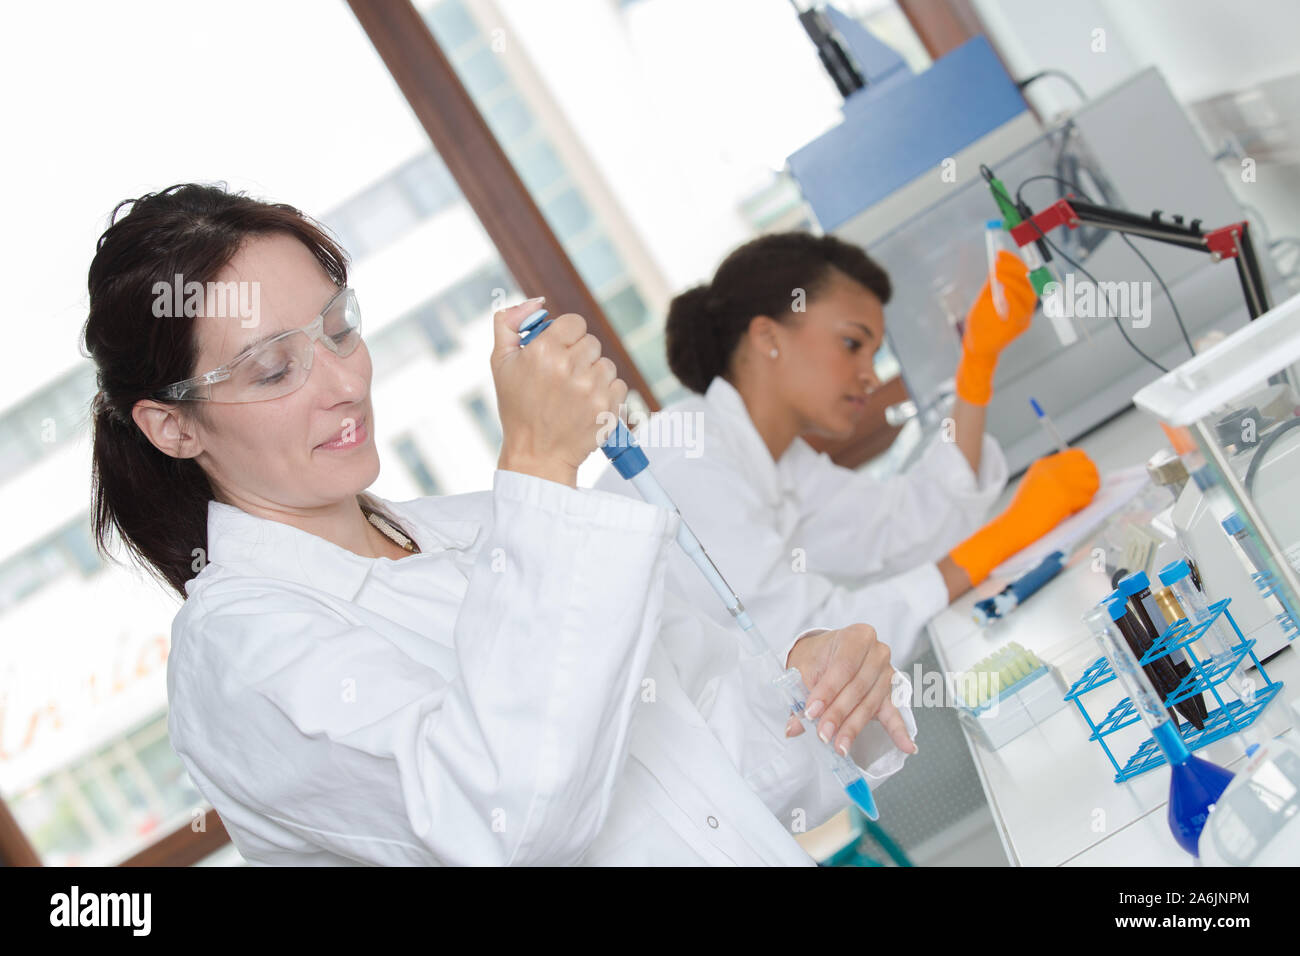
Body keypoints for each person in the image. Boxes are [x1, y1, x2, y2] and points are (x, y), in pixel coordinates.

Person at [82, 184, 919, 866]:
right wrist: (541, 468)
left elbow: (728, 759)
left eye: (340, 328)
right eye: (273, 368)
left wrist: (820, 692)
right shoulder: (235, 656)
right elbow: (505, 826)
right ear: (173, 427)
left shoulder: (482, 529)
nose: (341, 382)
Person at [595, 232, 1099, 672]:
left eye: (875, 354)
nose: (870, 376)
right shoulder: (685, 459)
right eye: (853, 344)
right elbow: (814, 645)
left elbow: (906, 527)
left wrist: (976, 367)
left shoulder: (774, 457)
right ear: (769, 336)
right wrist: (1005, 535)